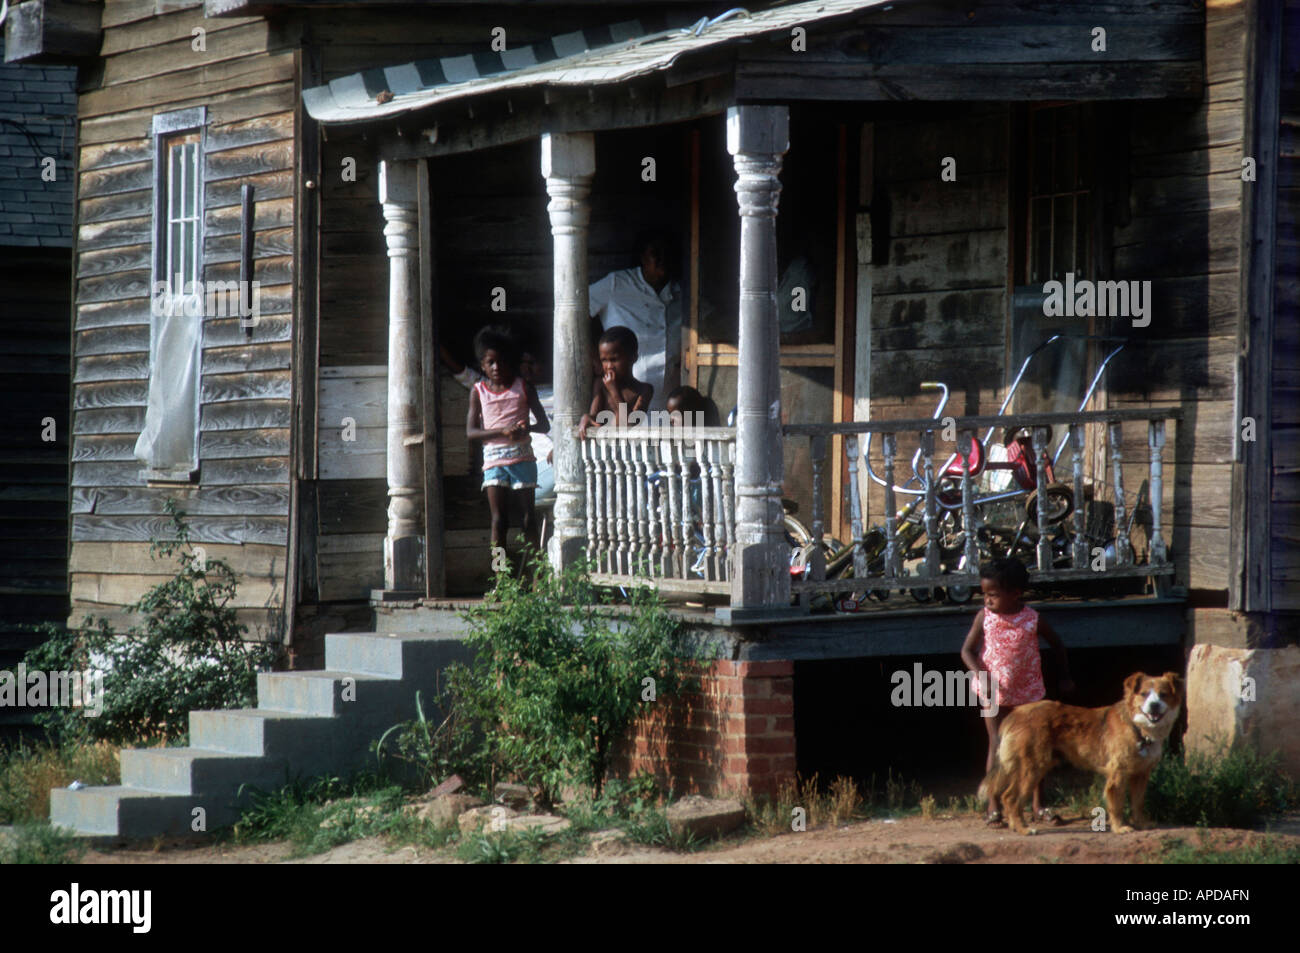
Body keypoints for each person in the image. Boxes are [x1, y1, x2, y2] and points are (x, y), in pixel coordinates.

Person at [960, 557, 1075, 828]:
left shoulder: (1032, 619)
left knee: (1035, 747)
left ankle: (1039, 805)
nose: (987, 600)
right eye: (984, 594)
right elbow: (967, 650)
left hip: (1028, 691)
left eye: (993, 595)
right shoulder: (984, 617)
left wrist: (1066, 677)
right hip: (994, 692)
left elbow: (1058, 645)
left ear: (1015, 593)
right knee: (997, 745)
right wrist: (980, 673)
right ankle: (993, 806)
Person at [465, 326, 549, 561]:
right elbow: (471, 432)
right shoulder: (479, 392)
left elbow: (544, 425)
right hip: (494, 461)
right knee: (499, 520)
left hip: (523, 457)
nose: (496, 367)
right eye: (490, 362)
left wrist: (526, 428)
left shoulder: (523, 387)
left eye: (501, 361)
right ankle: (501, 577)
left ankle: (535, 576)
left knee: (528, 518)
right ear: (482, 365)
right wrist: (502, 430)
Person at [589, 229, 681, 414]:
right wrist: (593, 358)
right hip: (626, 394)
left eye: (667, 253)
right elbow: (574, 311)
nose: (662, 259)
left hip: (670, 394)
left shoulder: (682, 292)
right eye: (655, 253)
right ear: (643, 257)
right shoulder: (616, 284)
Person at [579, 326, 652, 437]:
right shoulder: (600, 384)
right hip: (604, 448)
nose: (609, 366)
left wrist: (614, 391)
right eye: (604, 360)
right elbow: (594, 416)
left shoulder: (644, 390)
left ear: (633, 357)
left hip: (628, 449)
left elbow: (630, 424)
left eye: (614, 360)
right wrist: (586, 417)